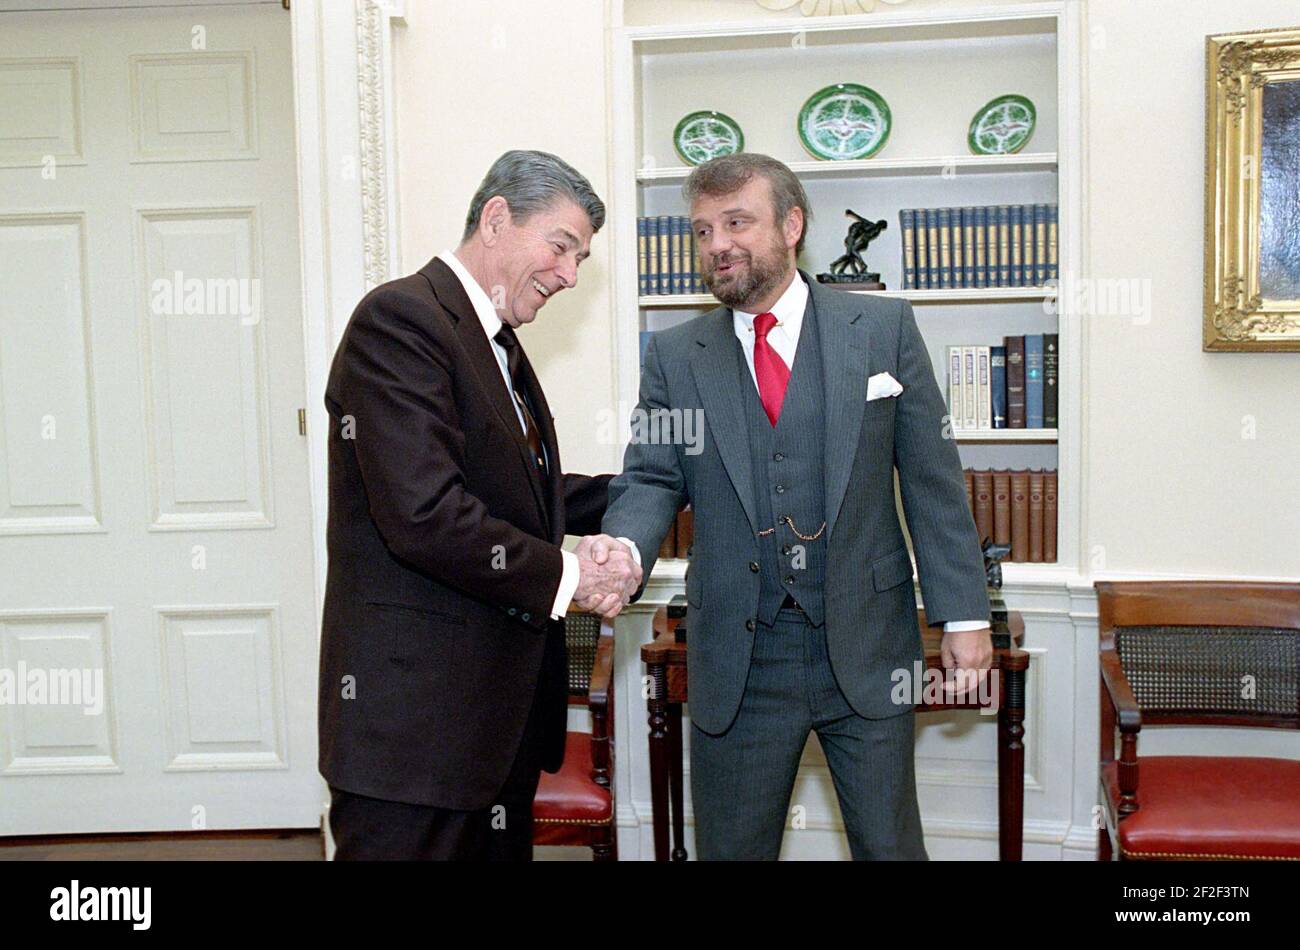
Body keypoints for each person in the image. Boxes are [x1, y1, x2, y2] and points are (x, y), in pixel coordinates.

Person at [594, 152, 992, 860]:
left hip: (868, 648)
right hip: (738, 660)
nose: (717, 244)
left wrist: (962, 616)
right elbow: (651, 478)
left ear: (793, 225)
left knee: (891, 850)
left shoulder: (882, 329)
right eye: (703, 230)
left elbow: (933, 482)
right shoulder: (675, 356)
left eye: (737, 222)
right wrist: (623, 550)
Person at [318, 150, 640, 860]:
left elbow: (519, 497)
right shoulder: (400, 322)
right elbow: (426, 514)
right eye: (561, 247)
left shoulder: (498, 345)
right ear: (496, 218)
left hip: (492, 736)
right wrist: (571, 577)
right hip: (415, 742)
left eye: (581, 259)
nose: (569, 275)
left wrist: (649, 493)